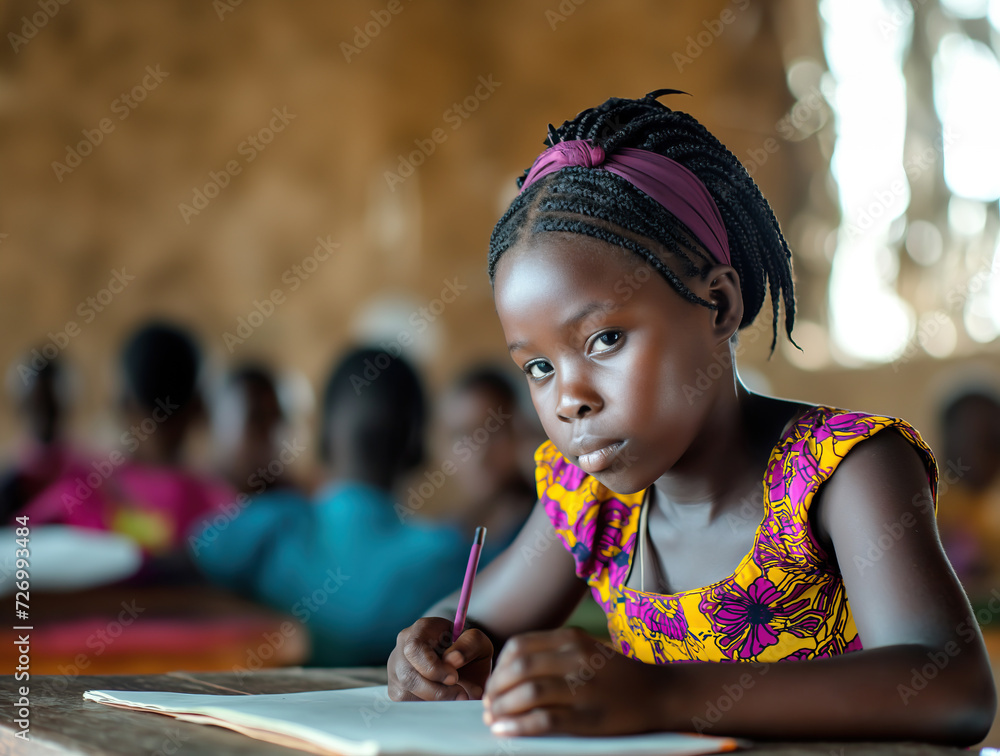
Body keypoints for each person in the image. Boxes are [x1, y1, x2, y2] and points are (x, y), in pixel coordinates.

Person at [386, 91, 995, 744]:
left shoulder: (841, 472)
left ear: (719, 305)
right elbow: (477, 623)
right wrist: (431, 650)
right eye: (539, 367)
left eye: (604, 340)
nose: (569, 400)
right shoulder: (590, 497)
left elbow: (951, 690)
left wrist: (663, 693)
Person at [190, 347, 471, 666]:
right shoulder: (450, 558)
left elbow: (170, 567)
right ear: (416, 443)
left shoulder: (271, 523)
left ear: (322, 435)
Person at [21, 321, 233, 571]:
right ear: (199, 408)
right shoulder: (222, 509)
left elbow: (15, 546)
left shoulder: (80, 491)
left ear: (122, 405)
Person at [435, 366, 540, 562]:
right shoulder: (445, 537)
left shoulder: (548, 523)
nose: (479, 455)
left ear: (521, 431)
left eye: (493, 433)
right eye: (462, 436)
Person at [0, 353, 90, 522]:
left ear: (64, 407)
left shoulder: (85, 477)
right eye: (35, 405)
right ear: (21, 406)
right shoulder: (10, 483)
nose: (43, 416)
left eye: (50, 406)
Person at [935, 388, 1000, 606]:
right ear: (946, 437)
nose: (982, 455)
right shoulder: (928, 509)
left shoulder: (990, 520)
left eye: (992, 442)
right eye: (973, 439)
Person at [211, 364, 300, 496]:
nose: (269, 433)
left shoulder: (291, 500)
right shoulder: (201, 502)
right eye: (257, 419)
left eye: (276, 419)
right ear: (223, 423)